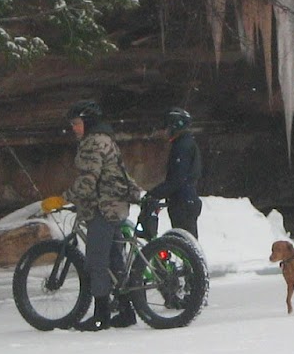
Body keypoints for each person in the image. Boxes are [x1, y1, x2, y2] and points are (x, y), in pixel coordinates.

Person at [65, 98, 143, 331]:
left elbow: (89, 179)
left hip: (104, 208)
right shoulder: (106, 139)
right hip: (116, 206)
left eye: (77, 123)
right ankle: (126, 311)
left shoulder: (92, 143)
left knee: (97, 261)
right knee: (114, 260)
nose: (74, 128)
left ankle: (101, 315)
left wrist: (66, 196)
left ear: (88, 122)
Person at [143, 107, 203, 239]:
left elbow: (177, 179)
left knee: (185, 245)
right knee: (187, 243)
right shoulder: (185, 143)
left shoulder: (182, 146)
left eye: (168, 126)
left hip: (182, 202)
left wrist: (154, 193)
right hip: (186, 200)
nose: (165, 131)